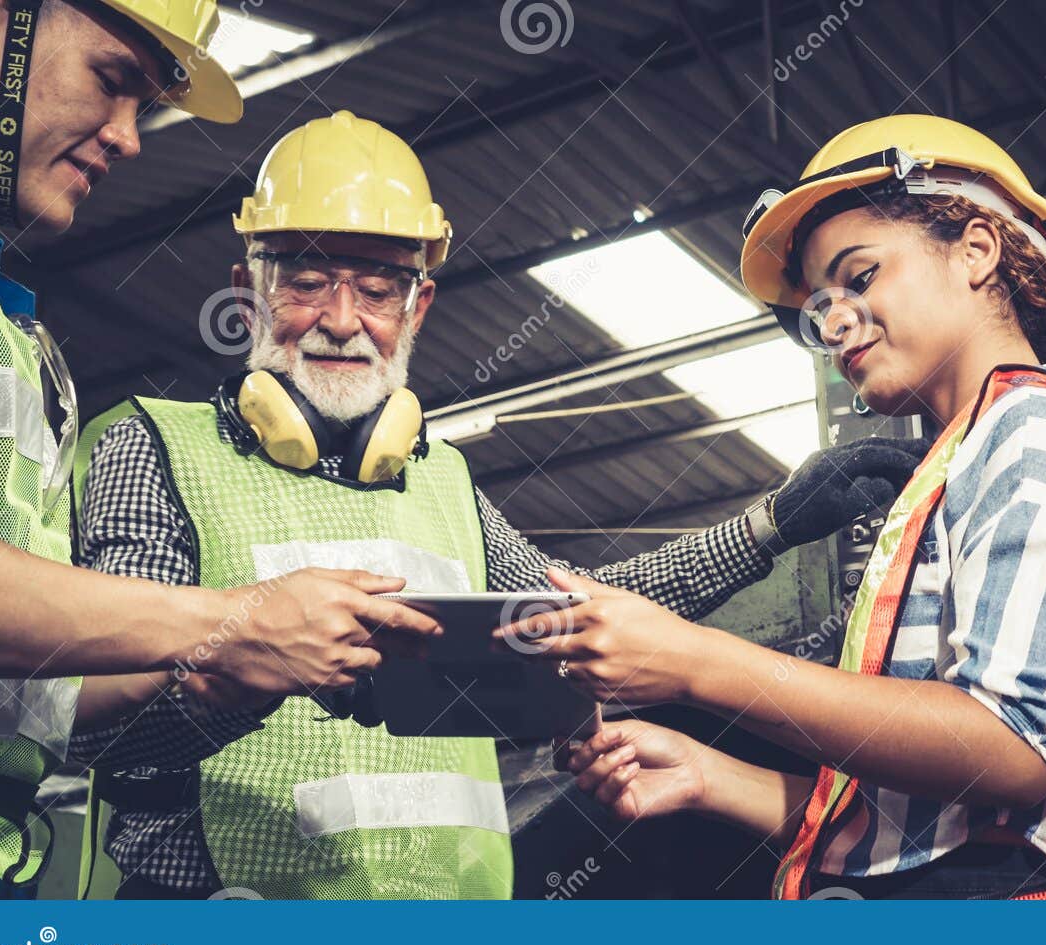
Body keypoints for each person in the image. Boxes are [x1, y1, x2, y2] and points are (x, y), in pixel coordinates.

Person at [69, 110, 927, 900]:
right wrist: (234, 680)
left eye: (375, 289)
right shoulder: (156, 452)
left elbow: (579, 616)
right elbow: (90, 739)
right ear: (250, 290)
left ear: (418, 306)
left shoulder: (441, 480)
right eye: (306, 281)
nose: (341, 319)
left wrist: (767, 525)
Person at [520, 114, 1046, 899]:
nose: (834, 319)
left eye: (861, 277)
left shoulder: (1038, 426)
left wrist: (693, 662)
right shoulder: (965, 453)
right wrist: (711, 776)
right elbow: (925, 836)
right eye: (821, 305)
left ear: (977, 251)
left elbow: (1013, 747)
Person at [0, 2, 438, 902]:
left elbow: (20, 700)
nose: (129, 138)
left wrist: (231, 665)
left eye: (144, 105)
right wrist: (235, 617)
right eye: (112, 81)